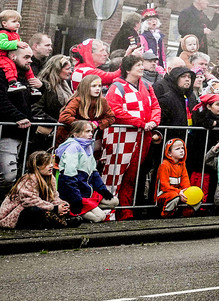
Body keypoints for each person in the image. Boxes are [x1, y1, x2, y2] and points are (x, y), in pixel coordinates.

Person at [106, 55, 161, 215]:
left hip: (143, 138)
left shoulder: (147, 86)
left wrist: (153, 121)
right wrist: (141, 123)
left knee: (131, 177)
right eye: (138, 65)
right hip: (122, 138)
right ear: (128, 69)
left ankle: (125, 211)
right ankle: (109, 212)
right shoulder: (117, 87)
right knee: (114, 175)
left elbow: (156, 107)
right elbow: (115, 110)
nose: (142, 67)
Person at [54, 120, 116, 222]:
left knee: (114, 201)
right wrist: (76, 199)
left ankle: (85, 210)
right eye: (87, 131)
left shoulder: (87, 146)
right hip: (74, 194)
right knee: (99, 217)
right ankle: (72, 211)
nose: (91, 134)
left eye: (91, 131)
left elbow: (94, 172)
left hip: (85, 192)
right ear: (75, 134)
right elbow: (69, 178)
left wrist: (103, 190)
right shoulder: (72, 147)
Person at [0, 151, 74, 229]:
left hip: (43, 207)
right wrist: (54, 208)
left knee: (63, 208)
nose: (51, 166)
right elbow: (29, 201)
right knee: (34, 211)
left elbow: (54, 197)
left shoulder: (50, 178)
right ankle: (54, 223)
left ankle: (57, 221)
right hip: (16, 215)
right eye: (47, 164)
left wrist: (61, 205)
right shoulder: (30, 179)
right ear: (37, 166)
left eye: (51, 163)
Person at [1, 43, 38, 189]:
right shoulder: (3, 74)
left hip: (19, 132)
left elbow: (26, 102)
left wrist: (41, 88)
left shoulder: (22, 76)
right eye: (26, 57)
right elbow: (1, 100)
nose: (30, 61)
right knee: (8, 175)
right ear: (12, 56)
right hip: (7, 131)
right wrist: (18, 116)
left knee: (13, 175)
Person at [57, 75, 115, 143]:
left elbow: (111, 117)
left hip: (89, 139)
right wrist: (85, 125)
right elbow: (64, 117)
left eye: (99, 86)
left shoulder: (102, 101)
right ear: (86, 87)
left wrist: (98, 124)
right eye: (94, 86)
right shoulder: (77, 101)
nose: (98, 88)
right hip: (70, 138)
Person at [155, 137, 200, 217]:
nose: (182, 150)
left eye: (182, 148)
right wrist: (179, 192)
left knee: (198, 194)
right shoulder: (164, 165)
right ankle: (166, 214)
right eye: (177, 149)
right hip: (164, 195)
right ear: (169, 153)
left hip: (179, 193)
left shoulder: (182, 164)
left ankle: (185, 213)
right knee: (174, 196)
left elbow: (185, 182)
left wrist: (186, 194)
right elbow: (164, 186)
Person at [153, 66, 196, 138]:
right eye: (183, 76)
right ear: (175, 79)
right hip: (172, 139)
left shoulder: (192, 97)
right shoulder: (166, 99)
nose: (187, 79)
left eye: (189, 77)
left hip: (190, 138)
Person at [36, 54, 75, 121]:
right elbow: (36, 109)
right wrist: (53, 122)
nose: (70, 72)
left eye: (71, 69)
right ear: (57, 70)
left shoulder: (65, 85)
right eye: (67, 69)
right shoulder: (43, 86)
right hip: (48, 128)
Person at [137, 7, 167, 74]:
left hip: (159, 65)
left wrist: (163, 66)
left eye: (155, 19)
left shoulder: (159, 36)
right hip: (148, 66)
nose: (153, 21)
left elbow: (162, 54)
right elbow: (144, 52)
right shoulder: (143, 37)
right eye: (150, 20)